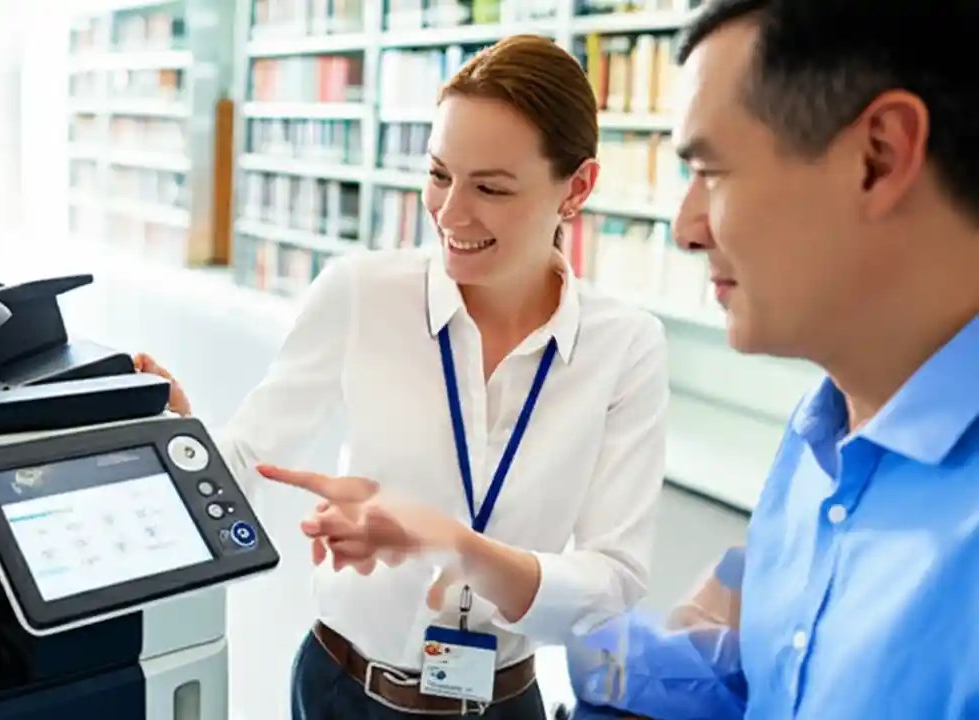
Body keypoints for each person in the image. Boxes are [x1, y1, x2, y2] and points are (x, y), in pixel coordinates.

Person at [137, 34, 671, 718]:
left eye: (491, 188)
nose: (450, 214)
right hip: (343, 693)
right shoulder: (362, 293)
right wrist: (179, 446)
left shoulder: (624, 347)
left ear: (578, 188)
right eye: (440, 174)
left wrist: (452, 544)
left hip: (505, 702)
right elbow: (248, 457)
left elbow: (611, 585)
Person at [561, 1, 979, 718]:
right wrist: (543, 617)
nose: (686, 228)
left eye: (711, 172)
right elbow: (771, 676)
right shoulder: (818, 434)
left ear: (878, 155)